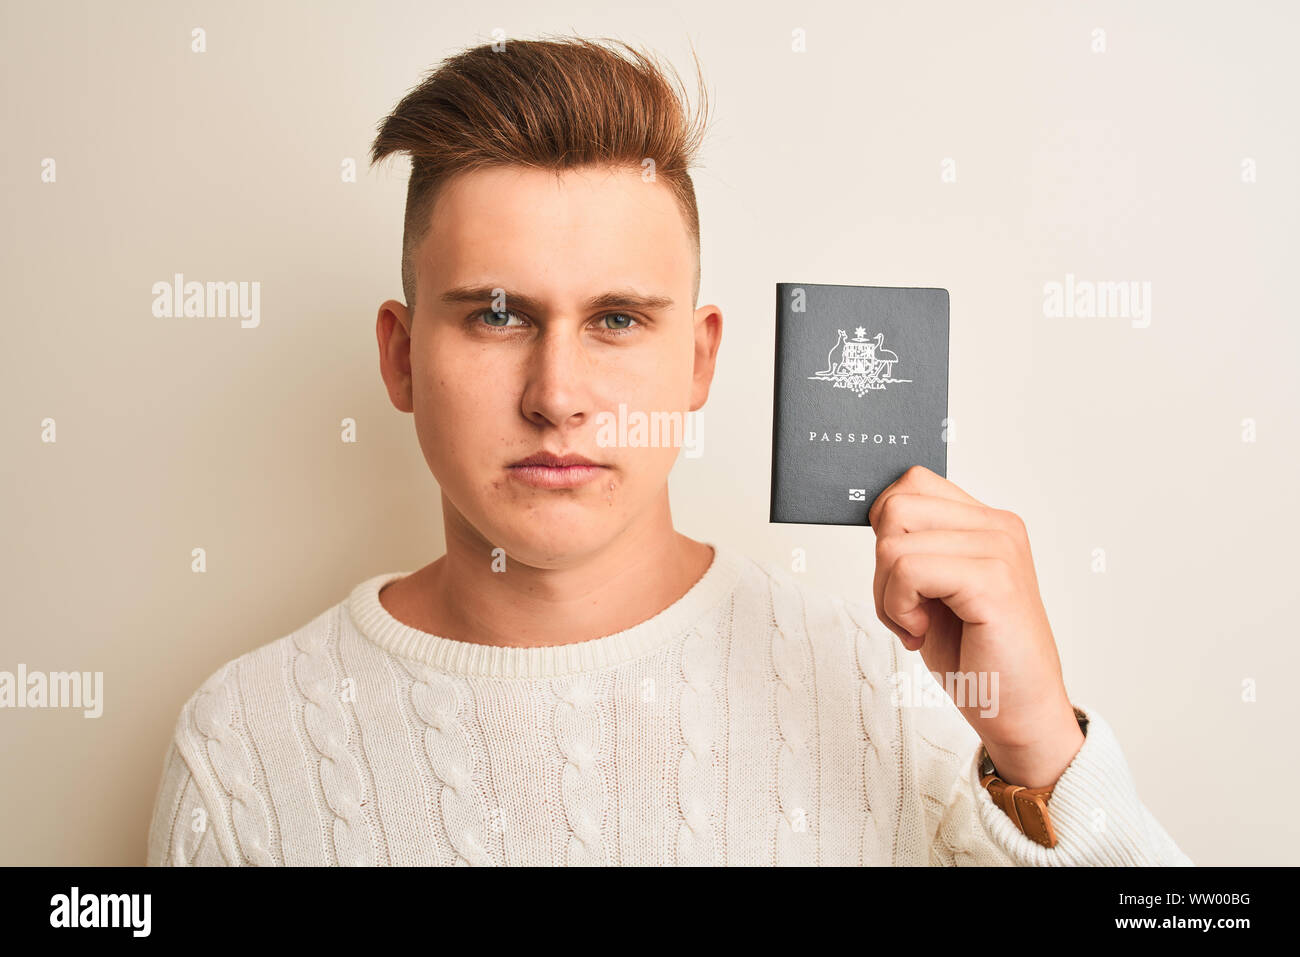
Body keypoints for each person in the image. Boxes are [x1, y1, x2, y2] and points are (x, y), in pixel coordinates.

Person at [146, 36, 1190, 867]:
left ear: (695, 364)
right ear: (400, 355)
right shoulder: (246, 746)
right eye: (497, 316)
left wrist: (1044, 749)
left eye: (615, 320)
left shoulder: (897, 693)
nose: (557, 398)